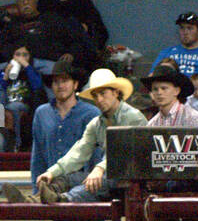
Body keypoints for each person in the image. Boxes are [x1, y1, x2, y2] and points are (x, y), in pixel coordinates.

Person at [29, 56, 102, 221]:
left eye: (65, 80)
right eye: (56, 81)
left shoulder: (90, 113)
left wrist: (94, 183)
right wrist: (36, 186)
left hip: (84, 189)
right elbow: (38, 153)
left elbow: (97, 154)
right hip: (53, 189)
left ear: (76, 84)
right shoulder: (42, 113)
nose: (60, 85)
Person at [36, 67, 147, 202]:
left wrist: (100, 168)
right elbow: (79, 152)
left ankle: (63, 199)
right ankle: (38, 198)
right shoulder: (96, 124)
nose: (99, 99)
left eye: (103, 93)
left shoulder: (132, 117)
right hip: (110, 177)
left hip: (132, 180)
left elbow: (124, 153)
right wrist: (52, 172)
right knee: (65, 179)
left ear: (116, 92)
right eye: (95, 95)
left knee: (92, 183)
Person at [154, 11, 198, 81]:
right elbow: (152, 76)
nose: (185, 32)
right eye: (182, 28)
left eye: (189, 28)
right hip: (172, 89)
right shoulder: (167, 53)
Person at [146, 63, 198, 128]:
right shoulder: (152, 124)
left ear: (176, 91)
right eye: (155, 89)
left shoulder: (194, 119)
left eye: (164, 88)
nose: (159, 92)